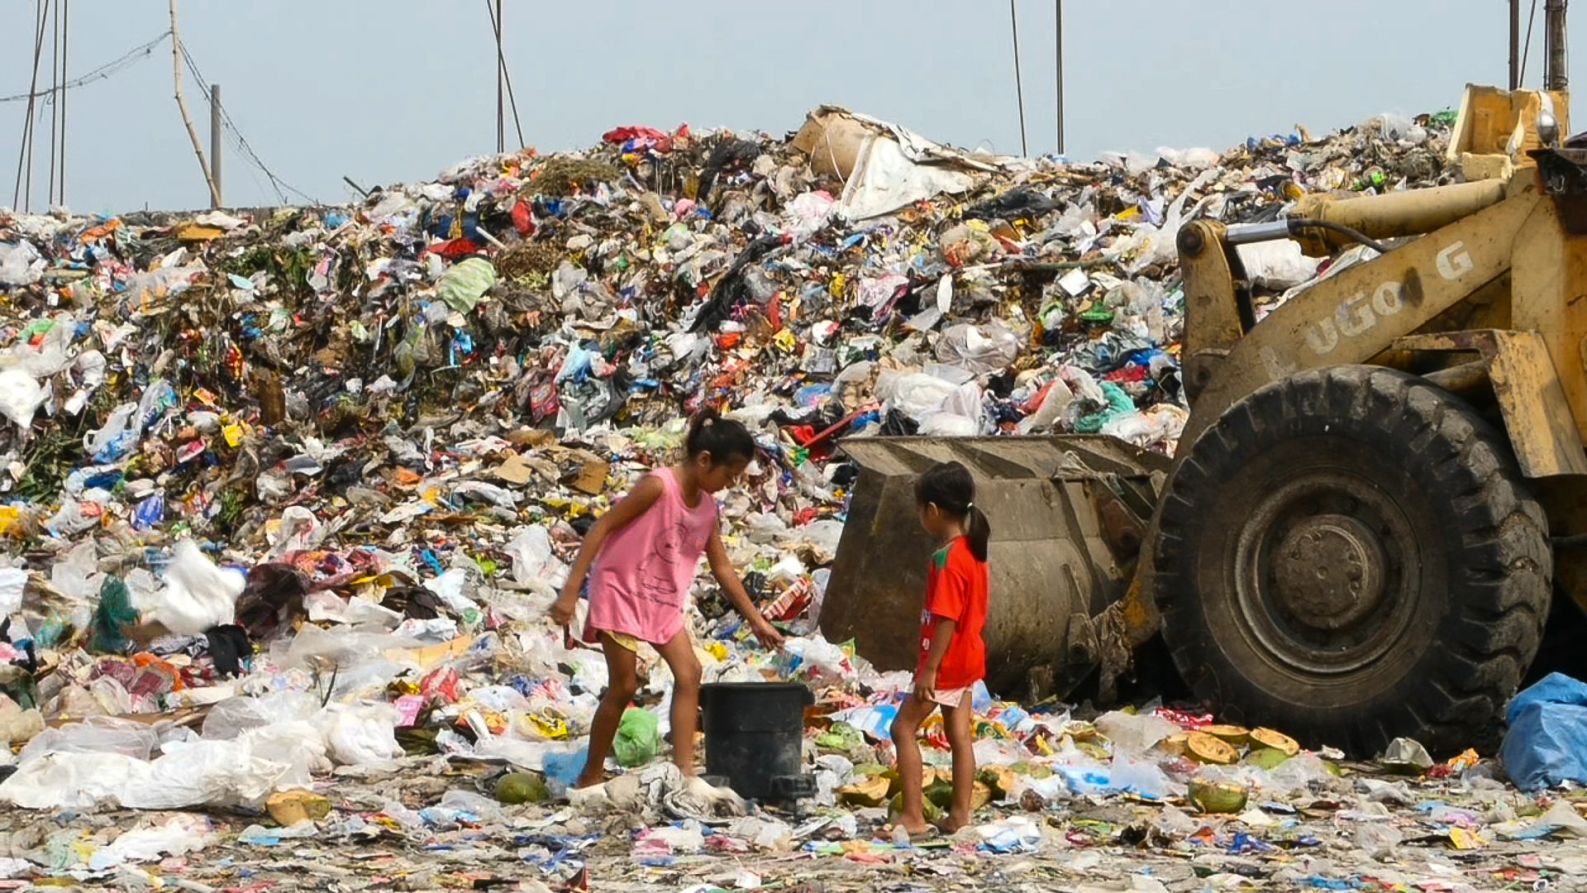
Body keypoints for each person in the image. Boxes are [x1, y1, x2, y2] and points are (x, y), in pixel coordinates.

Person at [549, 409, 784, 788]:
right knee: (624, 686)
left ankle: (684, 772)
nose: (730, 483)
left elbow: (723, 569)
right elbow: (601, 528)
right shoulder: (658, 487)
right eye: (729, 473)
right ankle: (590, 775)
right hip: (622, 592)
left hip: (663, 602)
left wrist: (757, 621)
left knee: (690, 673)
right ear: (705, 460)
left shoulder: (707, 508)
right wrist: (571, 591)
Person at [890, 460, 991, 836]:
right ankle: (960, 815)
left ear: (932, 510)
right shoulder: (975, 552)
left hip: (945, 663)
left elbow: (945, 617)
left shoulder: (946, 560)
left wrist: (929, 669)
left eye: (921, 509)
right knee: (960, 736)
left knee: (902, 728)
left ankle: (913, 817)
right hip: (969, 658)